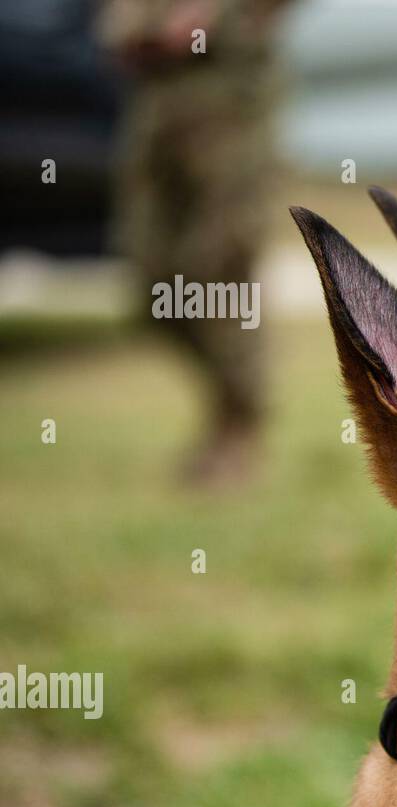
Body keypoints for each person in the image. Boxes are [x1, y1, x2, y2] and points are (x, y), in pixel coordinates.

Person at [99, 0, 291, 486]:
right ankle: (228, 409)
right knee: (154, 280)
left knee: (220, 270)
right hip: (152, 92)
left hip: (228, 92)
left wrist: (210, 14)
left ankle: (239, 428)